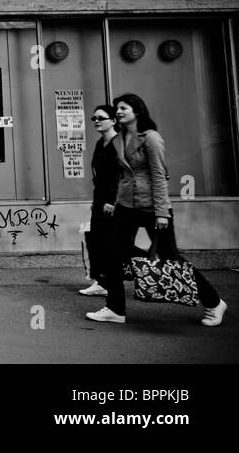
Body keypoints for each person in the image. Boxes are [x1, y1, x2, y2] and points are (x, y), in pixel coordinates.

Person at [87, 93, 226, 326]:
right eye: (117, 108)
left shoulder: (150, 138)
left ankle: (214, 302)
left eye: (123, 108)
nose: (118, 111)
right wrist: (116, 201)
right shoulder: (119, 139)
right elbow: (123, 176)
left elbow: (159, 176)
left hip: (152, 206)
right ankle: (115, 309)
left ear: (137, 111)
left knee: (171, 258)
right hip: (126, 206)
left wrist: (162, 212)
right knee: (112, 252)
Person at [78, 105, 119, 297]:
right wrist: (98, 200)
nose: (96, 121)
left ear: (113, 121)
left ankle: (111, 283)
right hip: (100, 198)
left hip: (113, 201)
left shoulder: (118, 144)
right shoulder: (100, 143)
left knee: (113, 243)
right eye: (94, 118)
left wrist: (112, 200)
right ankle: (103, 281)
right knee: (97, 240)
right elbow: (99, 175)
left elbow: (120, 174)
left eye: (101, 118)